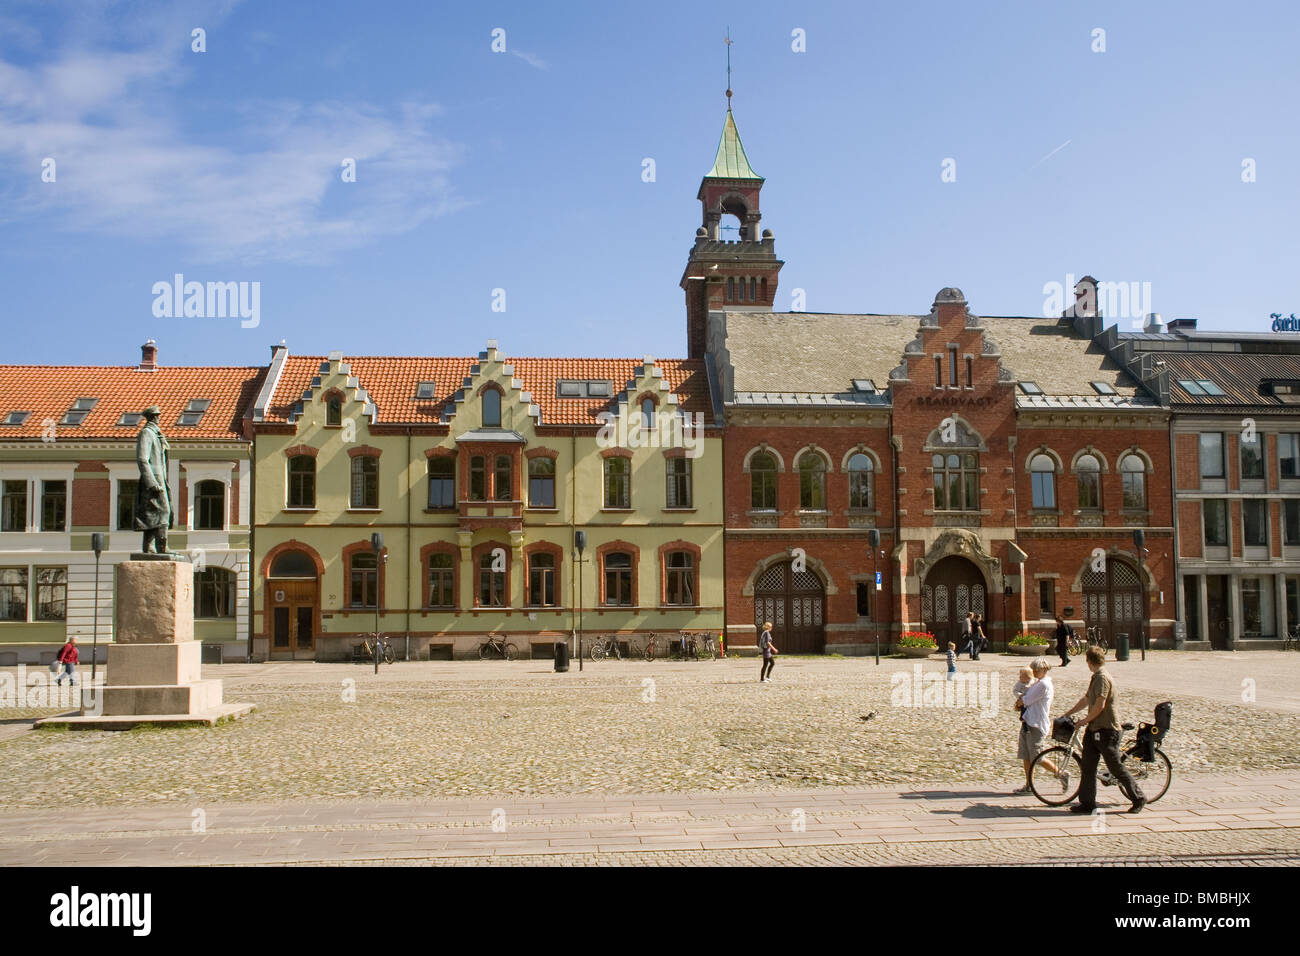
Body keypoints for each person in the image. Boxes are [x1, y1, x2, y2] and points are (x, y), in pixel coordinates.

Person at [1061, 645, 1146, 814]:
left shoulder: (1102, 678)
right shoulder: (1096, 677)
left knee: (1115, 766)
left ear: (1089, 661)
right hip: (1094, 729)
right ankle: (1087, 803)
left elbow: (1100, 704)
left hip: (1107, 730)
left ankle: (1138, 797)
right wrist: (1068, 713)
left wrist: (1084, 720)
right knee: (1088, 766)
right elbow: (1086, 699)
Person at [1015, 658, 1060, 794]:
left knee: (1037, 757)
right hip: (1028, 721)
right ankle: (1029, 784)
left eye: (1037, 670)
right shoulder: (1037, 683)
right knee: (1026, 756)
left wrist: (1020, 701)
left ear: (1044, 670)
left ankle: (1061, 773)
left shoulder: (1043, 685)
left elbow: (1026, 700)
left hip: (1036, 724)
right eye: (1033, 669)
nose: (1034, 672)